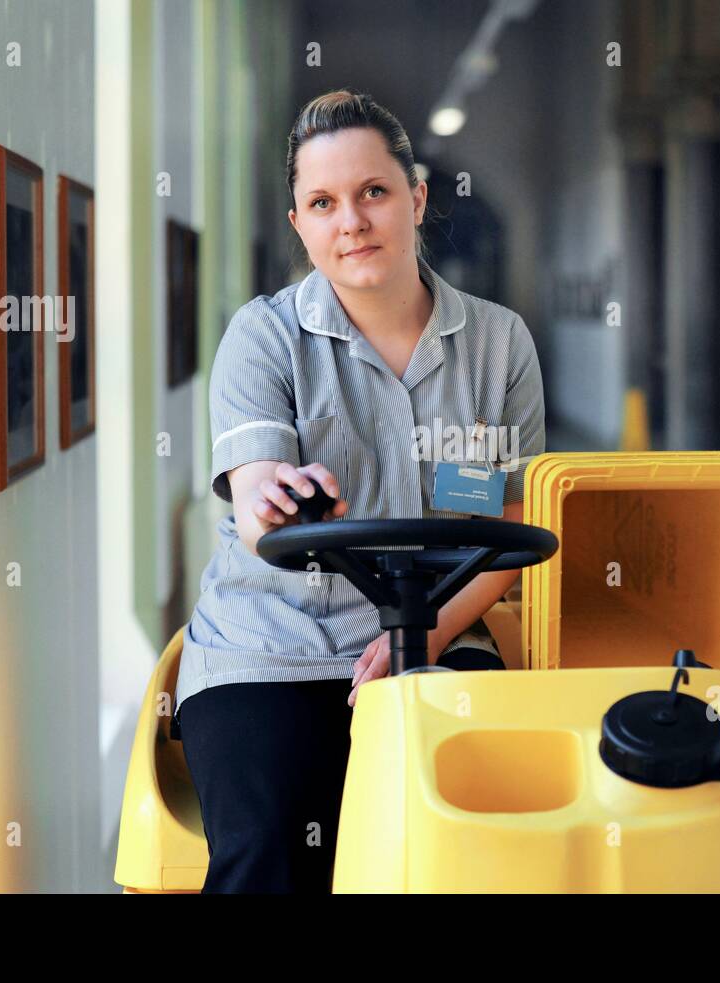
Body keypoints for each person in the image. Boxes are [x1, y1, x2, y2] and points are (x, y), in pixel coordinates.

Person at [172, 89, 545, 893]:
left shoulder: (499, 344)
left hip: (438, 630)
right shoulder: (263, 338)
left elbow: (506, 521)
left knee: (486, 838)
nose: (352, 221)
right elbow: (256, 501)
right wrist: (282, 497)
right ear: (300, 223)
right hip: (271, 645)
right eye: (323, 203)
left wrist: (430, 634)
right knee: (271, 844)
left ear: (416, 198)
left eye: (373, 191)